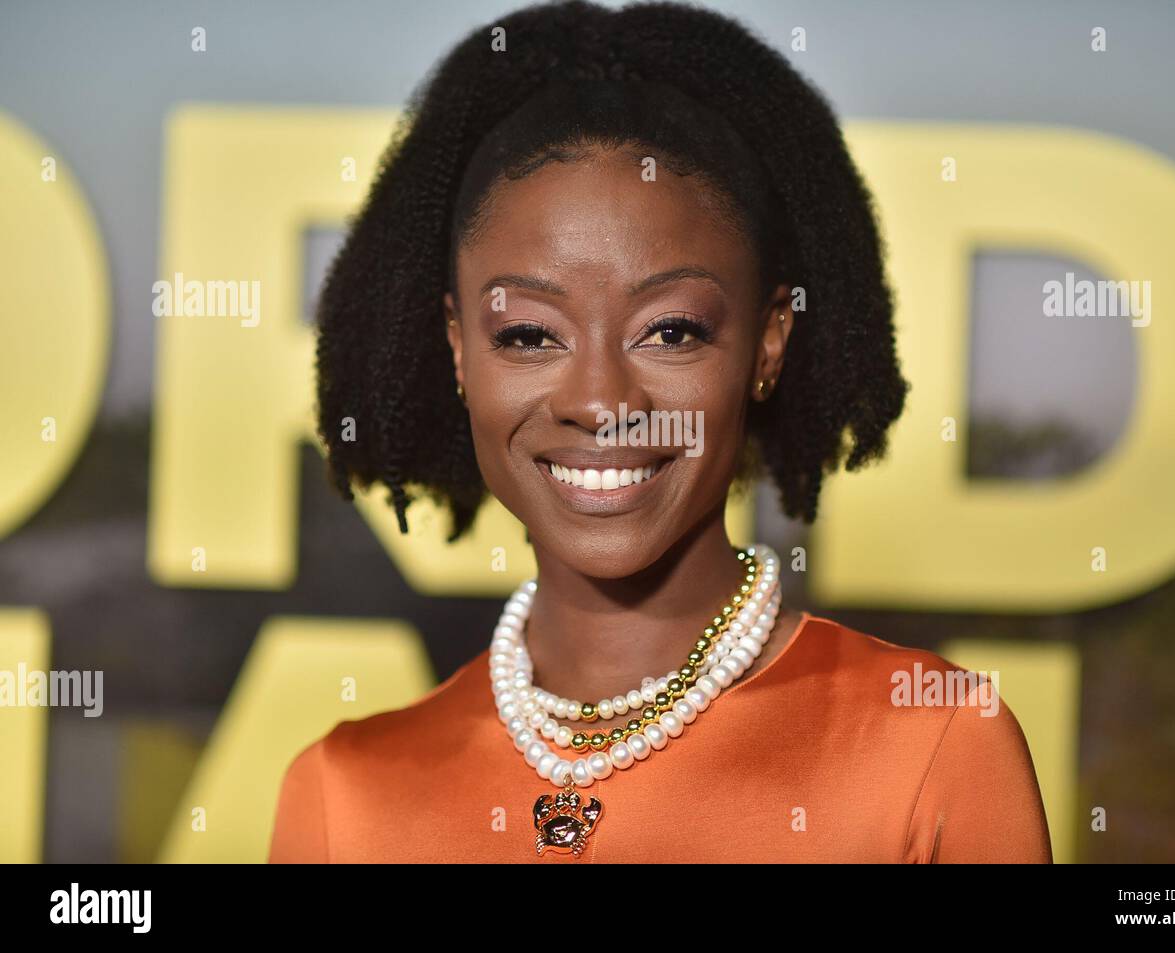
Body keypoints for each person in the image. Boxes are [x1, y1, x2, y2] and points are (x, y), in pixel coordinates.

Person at [269, 0, 1051, 862]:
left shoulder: (930, 746)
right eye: (529, 334)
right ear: (460, 349)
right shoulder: (346, 795)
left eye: (671, 330)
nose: (600, 399)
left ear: (768, 343)